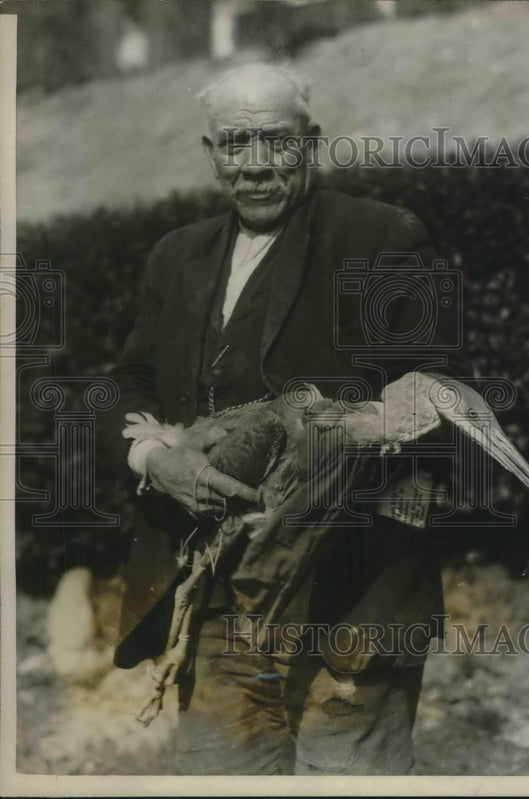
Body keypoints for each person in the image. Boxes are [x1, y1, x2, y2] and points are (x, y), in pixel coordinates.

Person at [102, 63, 471, 775]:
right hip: (212, 603)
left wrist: (355, 428)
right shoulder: (174, 257)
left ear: (312, 142)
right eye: (235, 144)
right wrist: (154, 457)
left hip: (349, 601)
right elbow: (127, 384)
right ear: (212, 154)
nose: (257, 165)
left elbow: (449, 391)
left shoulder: (383, 237)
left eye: (276, 142)